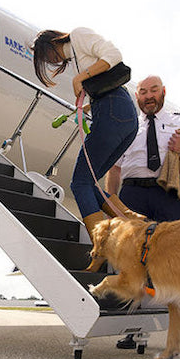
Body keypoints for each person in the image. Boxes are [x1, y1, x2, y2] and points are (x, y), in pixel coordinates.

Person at [105, 75, 180, 350]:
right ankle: (132, 328)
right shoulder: (126, 126)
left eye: (153, 90)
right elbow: (114, 170)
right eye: (143, 92)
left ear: (163, 92)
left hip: (169, 195)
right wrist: (112, 207)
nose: (148, 96)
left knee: (176, 265)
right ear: (136, 96)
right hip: (132, 194)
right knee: (131, 264)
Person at [32, 28, 141, 235]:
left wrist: (79, 78)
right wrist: (84, 107)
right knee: (90, 183)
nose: (50, 61)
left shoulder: (78, 36)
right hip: (122, 115)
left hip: (112, 109)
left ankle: (101, 245)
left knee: (80, 183)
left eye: (45, 55)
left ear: (50, 43)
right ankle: (133, 222)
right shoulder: (75, 57)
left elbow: (114, 56)